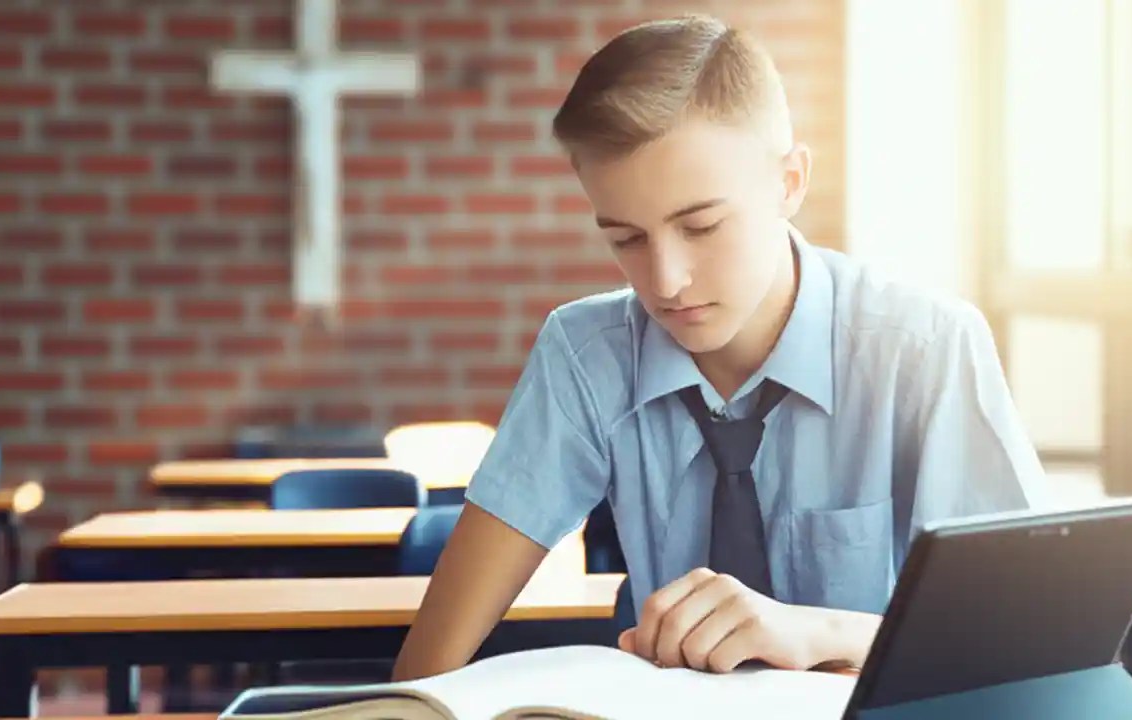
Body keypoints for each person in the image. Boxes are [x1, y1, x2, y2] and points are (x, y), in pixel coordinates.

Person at [392, 13, 1047, 681]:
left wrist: (821, 631)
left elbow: (1031, 641)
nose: (666, 282)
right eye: (626, 239)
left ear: (789, 183)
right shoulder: (586, 355)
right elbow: (428, 669)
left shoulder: (924, 347)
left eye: (701, 226)